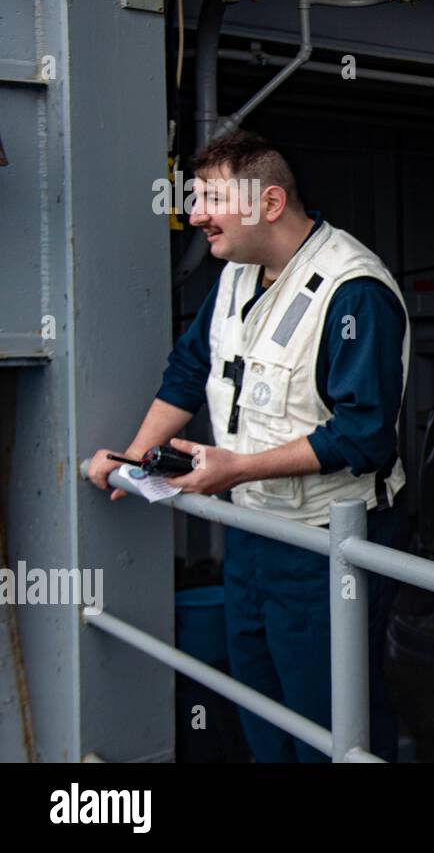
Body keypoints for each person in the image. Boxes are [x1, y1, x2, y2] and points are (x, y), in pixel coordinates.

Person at [87, 130, 410, 762]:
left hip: (329, 541)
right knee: (260, 703)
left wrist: (236, 468)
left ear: (268, 203)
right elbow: (187, 371)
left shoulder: (354, 289)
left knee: (333, 719)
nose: (195, 212)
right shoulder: (235, 277)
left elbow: (363, 435)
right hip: (250, 529)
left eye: (209, 196)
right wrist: (133, 459)